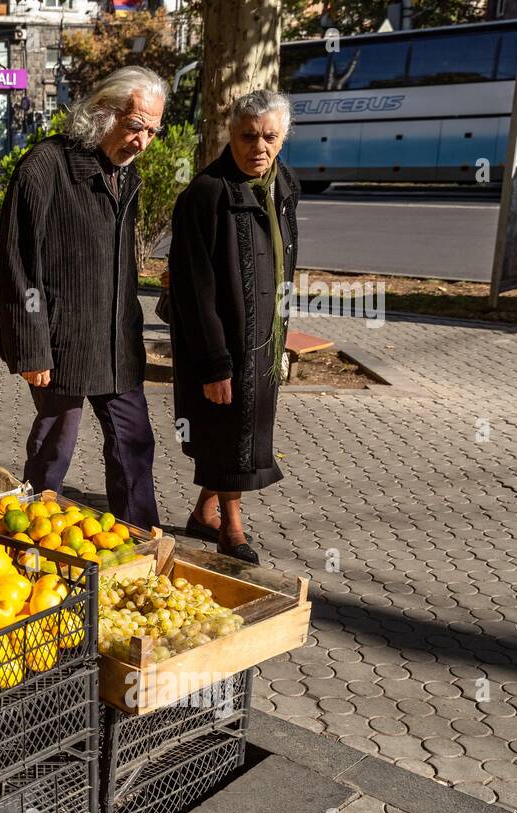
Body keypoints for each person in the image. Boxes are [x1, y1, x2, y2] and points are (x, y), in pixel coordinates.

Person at [0, 66, 166, 531]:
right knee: (55, 447)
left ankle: (139, 543)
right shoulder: (46, 166)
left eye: (153, 131)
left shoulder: (126, 176)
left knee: (134, 442)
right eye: (136, 127)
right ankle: (29, 537)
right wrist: (30, 348)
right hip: (58, 341)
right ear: (104, 113)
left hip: (114, 341)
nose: (143, 142)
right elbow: (15, 265)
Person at [167, 90, 298, 565]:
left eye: (269, 136)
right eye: (247, 136)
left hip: (263, 336)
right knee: (227, 432)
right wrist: (214, 361)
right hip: (219, 340)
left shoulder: (283, 185)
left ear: (283, 139)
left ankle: (205, 511)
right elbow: (192, 288)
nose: (258, 147)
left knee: (245, 431)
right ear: (230, 135)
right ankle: (232, 529)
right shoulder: (205, 194)